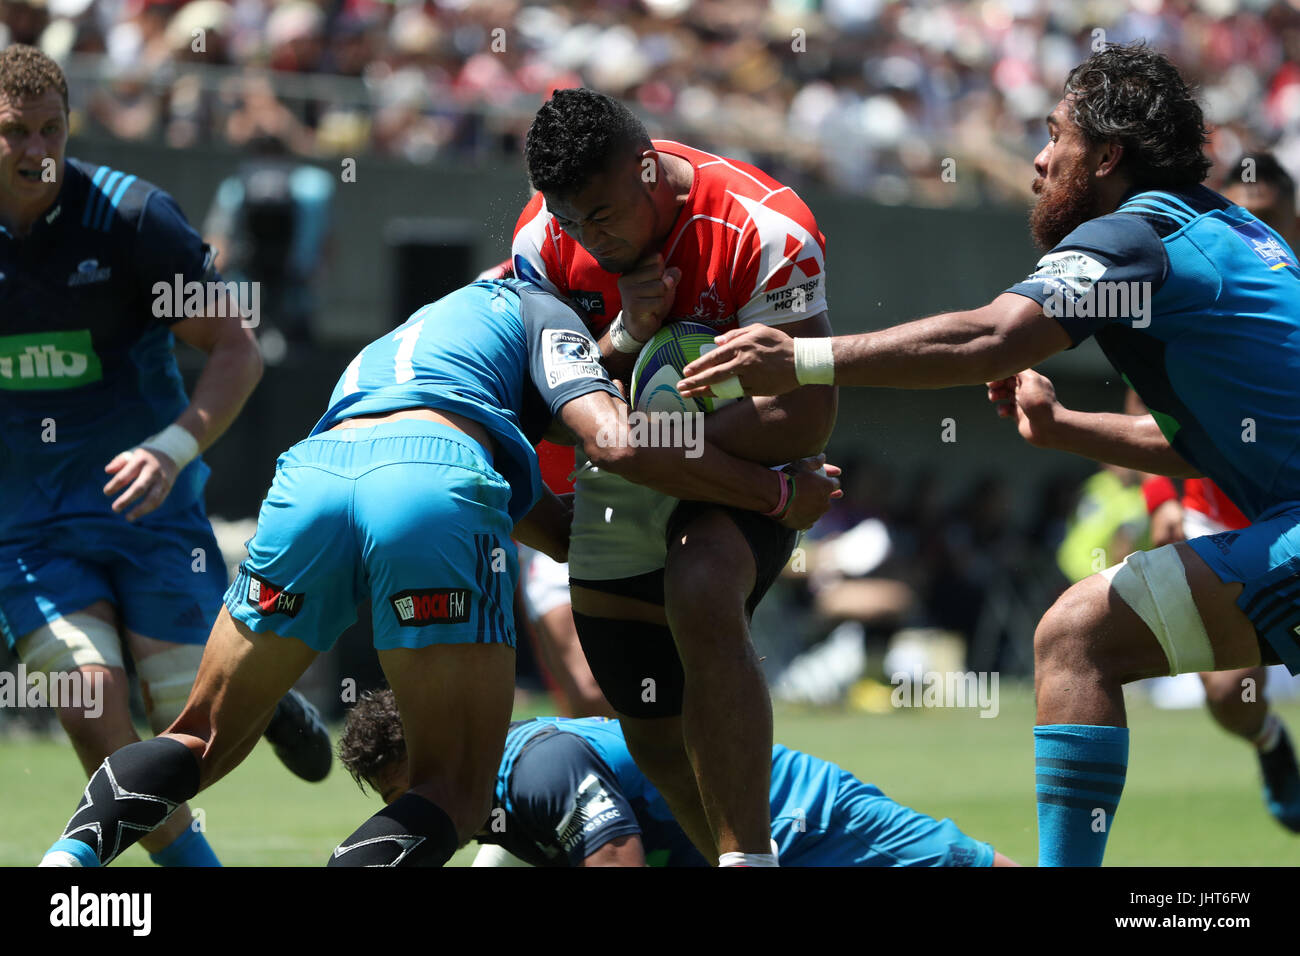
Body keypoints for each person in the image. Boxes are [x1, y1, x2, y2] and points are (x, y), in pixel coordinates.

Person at [679, 42, 1300, 865]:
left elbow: (989, 336)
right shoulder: (1228, 233)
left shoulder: (1135, 235)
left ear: (1107, 155)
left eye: (1055, 137)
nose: (1038, 159)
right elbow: (1214, 450)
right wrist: (1066, 428)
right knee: (1089, 637)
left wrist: (802, 358)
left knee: (1078, 636)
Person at [39, 277, 839, 868]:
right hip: (432, 480)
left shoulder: (417, 335)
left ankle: (66, 866)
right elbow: (614, 439)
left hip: (315, 476)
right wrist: (771, 494)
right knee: (457, 789)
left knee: (197, 738)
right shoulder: (542, 307)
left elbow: (558, 532)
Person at [0, 44, 328, 869]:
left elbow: (236, 348)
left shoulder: (134, 220)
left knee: (196, 730)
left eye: (52, 129)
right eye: (14, 132)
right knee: (94, 709)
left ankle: (263, 699)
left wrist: (173, 446)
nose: (37, 150)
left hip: (150, 510)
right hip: (31, 529)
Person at [510, 88, 837, 866]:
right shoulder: (541, 241)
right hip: (612, 485)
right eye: (571, 220)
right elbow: (538, 413)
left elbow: (801, 417)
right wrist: (622, 338)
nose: (590, 237)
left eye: (603, 214)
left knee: (700, 585)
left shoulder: (767, 227)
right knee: (646, 721)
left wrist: (646, 445)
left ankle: (748, 856)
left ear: (648, 168)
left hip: (732, 471)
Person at [339, 688, 1016, 868]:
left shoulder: (540, 769)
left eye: (411, 796)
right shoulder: (485, 809)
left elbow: (616, 863)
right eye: (395, 806)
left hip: (797, 816)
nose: (414, 821)